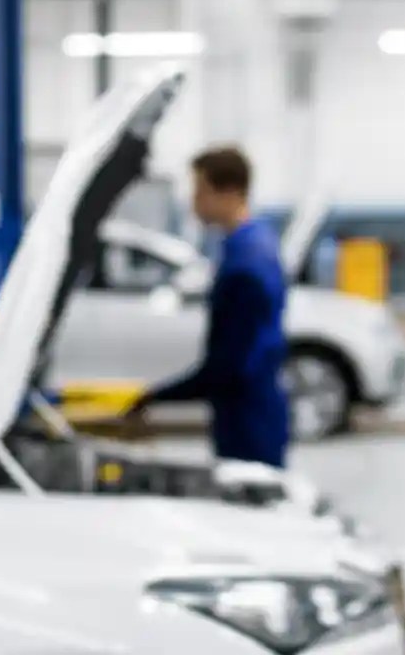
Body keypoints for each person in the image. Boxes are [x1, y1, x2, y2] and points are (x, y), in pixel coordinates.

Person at [125, 146, 291, 469]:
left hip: (247, 419)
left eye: (200, 190)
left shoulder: (246, 264)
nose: (193, 201)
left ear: (229, 193)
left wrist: (156, 398)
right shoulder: (252, 244)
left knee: (248, 508)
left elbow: (229, 364)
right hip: (250, 410)